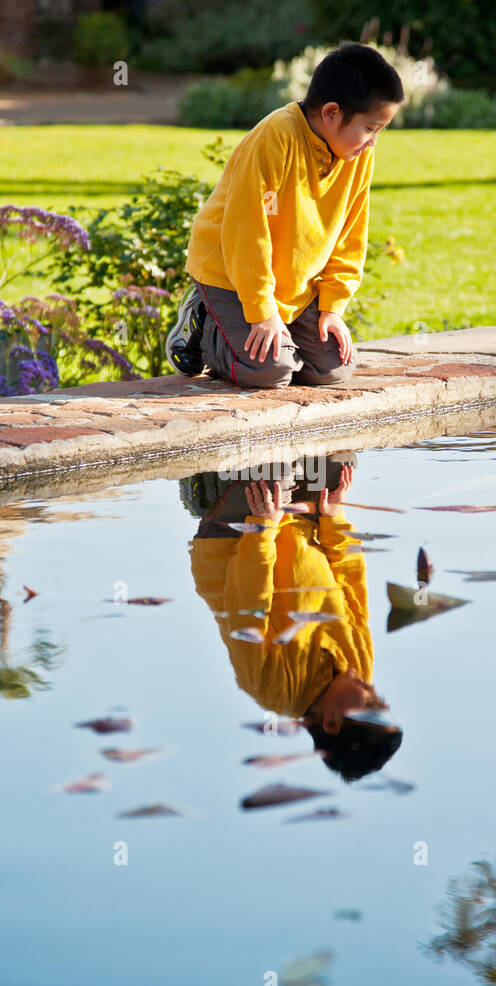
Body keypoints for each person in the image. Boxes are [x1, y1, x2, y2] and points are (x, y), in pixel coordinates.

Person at [166, 42, 404, 388]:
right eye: (370, 128)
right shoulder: (275, 138)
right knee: (271, 371)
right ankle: (204, 318)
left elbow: (351, 233)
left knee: (332, 369)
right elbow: (247, 231)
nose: (373, 142)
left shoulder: (357, 155)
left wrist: (332, 307)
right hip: (232, 274)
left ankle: (272, 332)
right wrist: (262, 312)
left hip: (292, 284)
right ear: (331, 113)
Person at [184, 455, 402, 781]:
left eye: (369, 703)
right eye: (380, 699)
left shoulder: (275, 691)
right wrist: (333, 518)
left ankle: (202, 489)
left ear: (331, 721)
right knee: (338, 462)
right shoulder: (360, 669)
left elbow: (248, 602)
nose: (371, 689)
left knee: (273, 468)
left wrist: (262, 527)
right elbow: (353, 587)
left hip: (236, 541)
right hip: (302, 525)